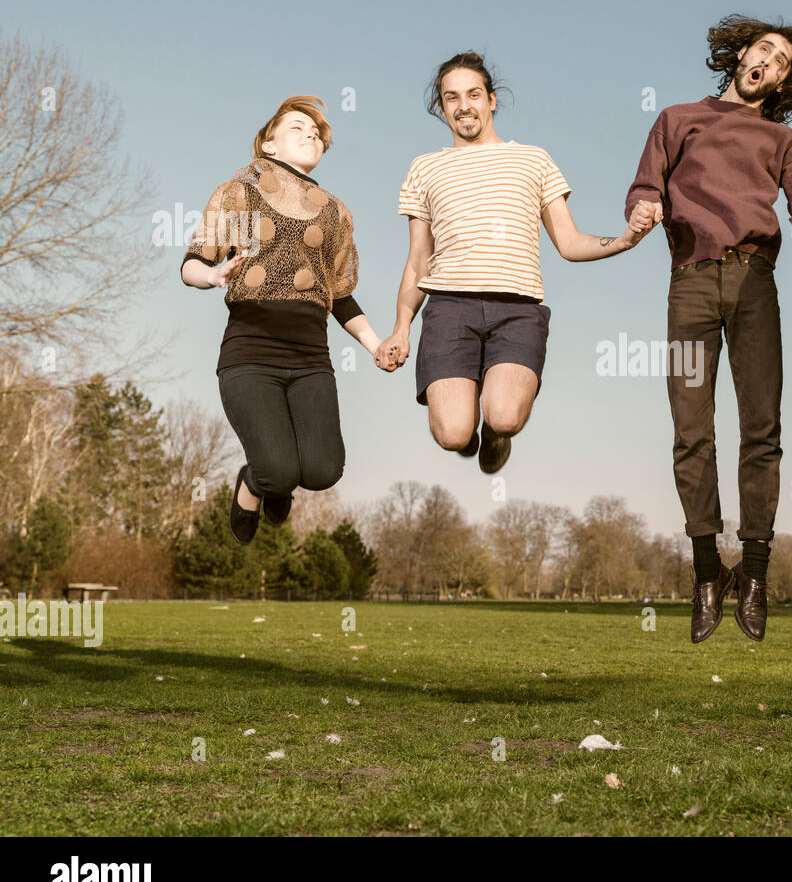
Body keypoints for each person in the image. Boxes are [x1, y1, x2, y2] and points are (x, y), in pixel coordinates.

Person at [624, 15, 792, 644]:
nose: (771, 61)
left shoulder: (787, 143)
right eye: (765, 49)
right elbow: (645, 186)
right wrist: (644, 210)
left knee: (762, 428)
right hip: (691, 285)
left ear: (786, 82)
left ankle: (755, 574)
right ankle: (707, 572)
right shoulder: (678, 119)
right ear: (739, 54)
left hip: (756, 284)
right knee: (690, 428)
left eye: (784, 60)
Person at [378, 53, 655, 473]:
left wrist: (624, 240)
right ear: (441, 107)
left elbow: (569, 241)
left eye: (473, 94)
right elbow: (419, 259)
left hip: (517, 310)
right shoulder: (424, 168)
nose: (463, 105)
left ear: (491, 100)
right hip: (449, 309)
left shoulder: (533, 160)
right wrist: (401, 327)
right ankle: (469, 429)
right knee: (452, 433)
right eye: (451, 98)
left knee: (505, 415)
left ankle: (495, 433)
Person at [181, 96, 386, 544]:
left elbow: (341, 295)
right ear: (269, 145)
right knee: (276, 471)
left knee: (322, 471)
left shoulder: (335, 212)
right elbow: (191, 264)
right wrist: (213, 275)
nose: (310, 133)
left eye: (316, 132)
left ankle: (271, 479)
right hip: (250, 354)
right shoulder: (240, 190)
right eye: (297, 127)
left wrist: (377, 346)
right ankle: (256, 483)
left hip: (312, 358)